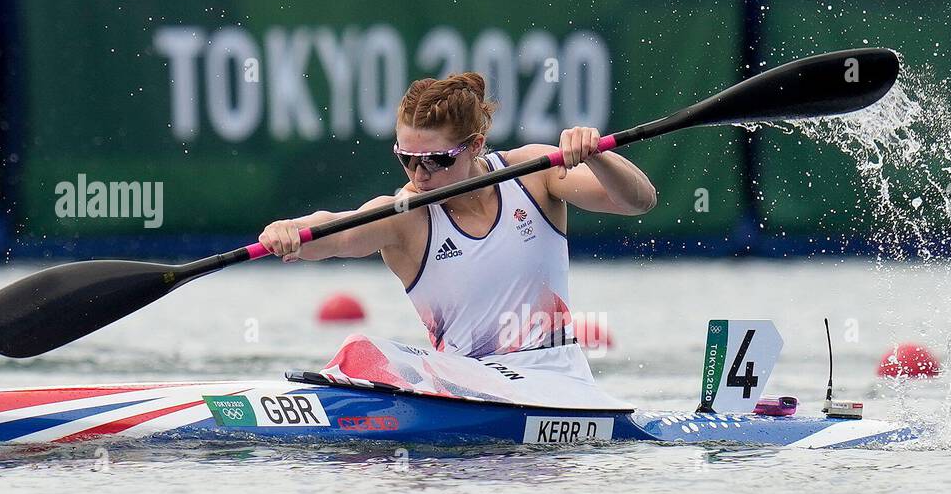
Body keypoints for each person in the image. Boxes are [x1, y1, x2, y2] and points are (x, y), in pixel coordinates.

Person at [258, 72, 656, 386]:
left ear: (475, 145)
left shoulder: (535, 175)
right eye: (407, 159)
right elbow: (335, 231)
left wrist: (599, 155)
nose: (419, 174)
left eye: (436, 160)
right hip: (469, 388)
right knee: (361, 349)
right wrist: (291, 230)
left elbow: (638, 201)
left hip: (560, 384)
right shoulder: (405, 216)